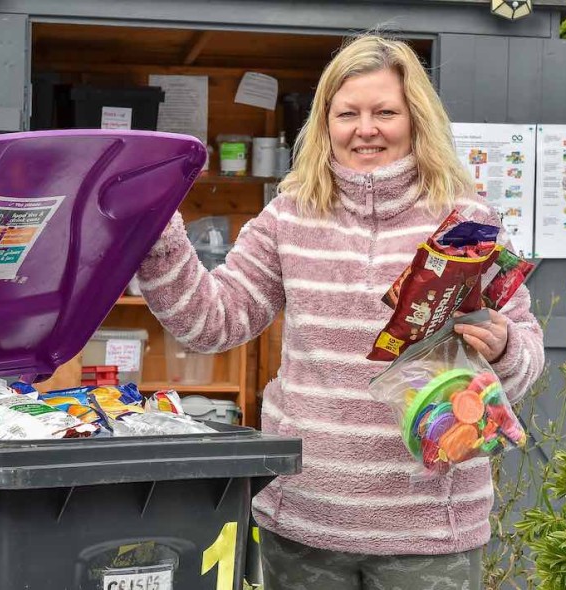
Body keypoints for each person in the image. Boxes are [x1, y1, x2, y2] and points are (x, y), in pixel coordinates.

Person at [136, 34, 544, 589]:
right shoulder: (290, 215)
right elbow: (214, 322)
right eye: (347, 112)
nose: (365, 128)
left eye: (385, 112)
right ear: (325, 122)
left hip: (430, 530)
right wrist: (160, 239)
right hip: (304, 520)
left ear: (416, 118)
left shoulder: (466, 221)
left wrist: (503, 347)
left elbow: (523, 358)